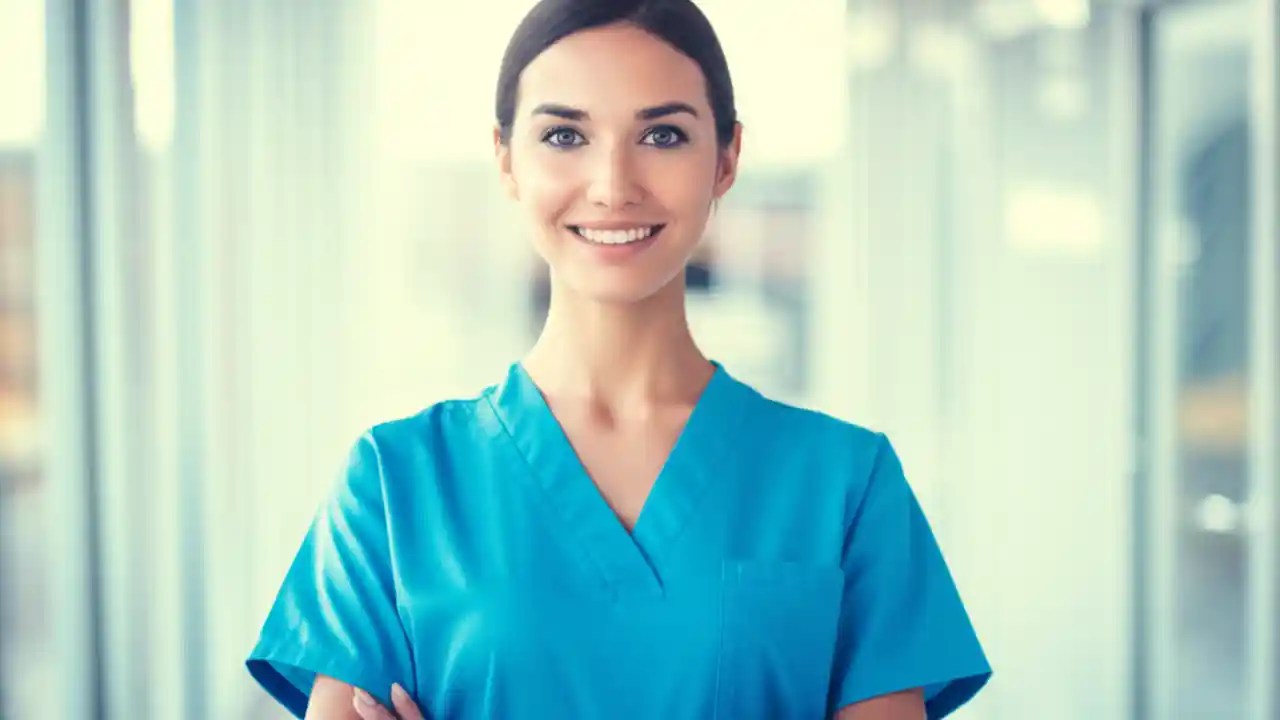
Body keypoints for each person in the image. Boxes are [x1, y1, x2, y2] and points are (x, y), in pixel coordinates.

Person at [245, 0, 991, 717]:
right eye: (566, 137)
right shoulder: (394, 484)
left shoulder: (846, 486)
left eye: (662, 135)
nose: (613, 187)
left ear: (727, 158)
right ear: (505, 160)